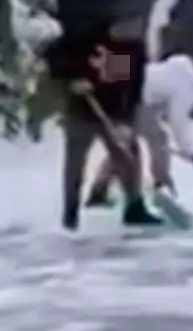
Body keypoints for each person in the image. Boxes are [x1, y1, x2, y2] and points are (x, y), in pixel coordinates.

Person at [45, 18, 162, 232]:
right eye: (126, 27)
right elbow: (54, 57)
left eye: (135, 29)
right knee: (75, 163)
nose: (130, 32)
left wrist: (127, 122)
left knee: (128, 156)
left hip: (115, 113)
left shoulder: (137, 51)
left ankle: (134, 208)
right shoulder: (87, 38)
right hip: (81, 113)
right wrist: (73, 79)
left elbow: (135, 89)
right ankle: (70, 214)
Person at [86, 54, 193, 206]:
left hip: (122, 89)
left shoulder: (182, 64)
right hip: (134, 100)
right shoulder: (189, 90)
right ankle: (161, 184)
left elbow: (159, 91)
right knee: (159, 139)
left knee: (125, 145)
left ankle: (99, 190)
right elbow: (179, 124)